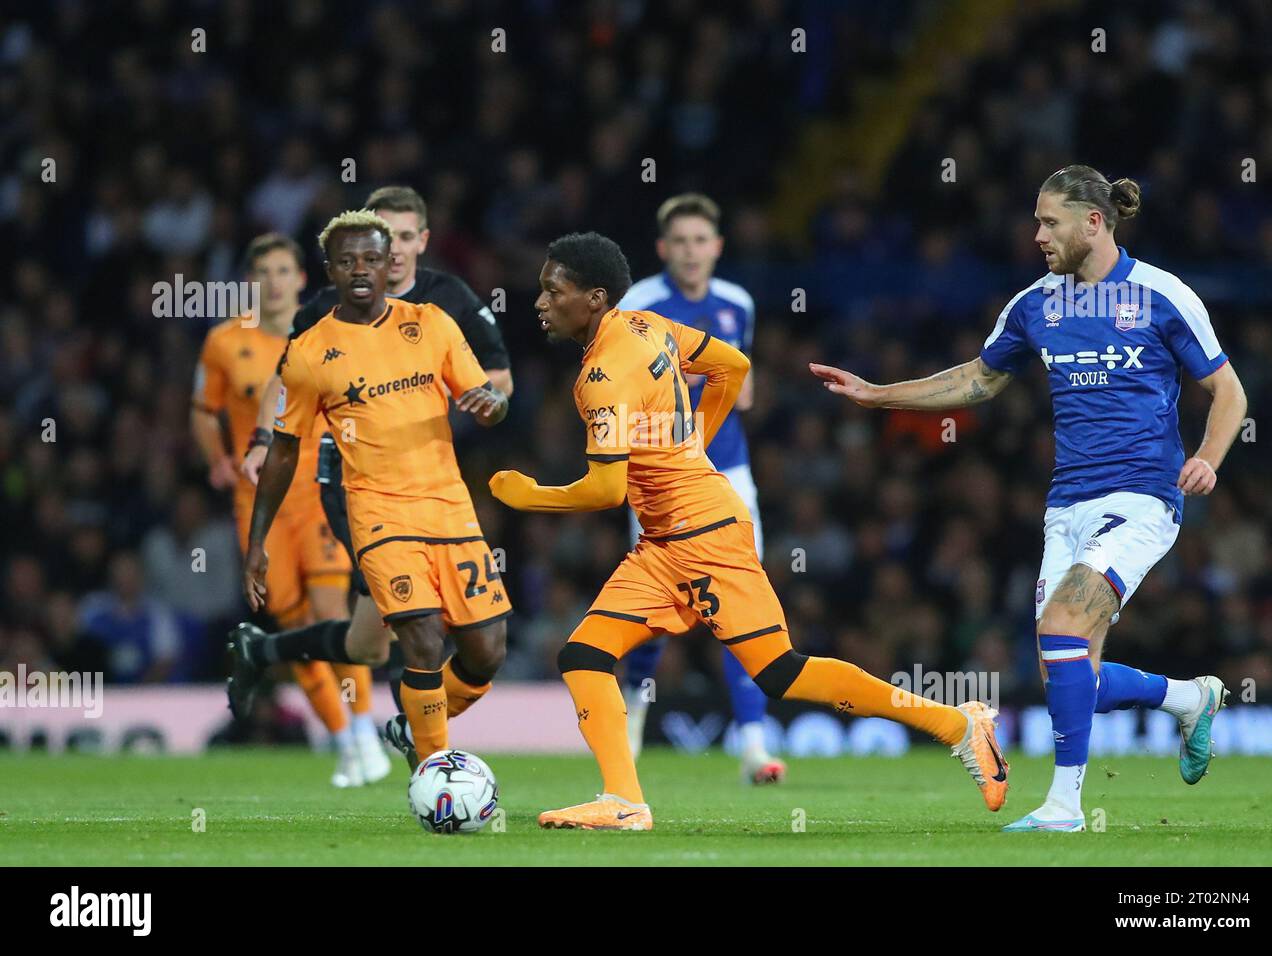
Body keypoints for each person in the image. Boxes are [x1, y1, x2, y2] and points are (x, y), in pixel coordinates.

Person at [489, 232, 1008, 830]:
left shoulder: (603, 375)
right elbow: (733, 364)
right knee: (583, 655)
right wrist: (695, 443)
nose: (540, 302)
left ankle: (959, 725)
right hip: (665, 541)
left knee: (780, 671)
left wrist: (531, 497)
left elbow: (606, 490)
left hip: (704, 534)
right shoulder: (648, 326)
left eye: (554, 291)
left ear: (595, 296)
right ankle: (624, 801)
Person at [812, 166, 1249, 832]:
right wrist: (879, 394)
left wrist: (1207, 459)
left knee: (1062, 631)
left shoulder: (1162, 295)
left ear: (1092, 222)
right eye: (1036, 221)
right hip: (1065, 506)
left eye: (1050, 221)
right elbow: (978, 380)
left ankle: (1064, 808)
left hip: (1142, 499)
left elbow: (1228, 392)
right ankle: (1191, 699)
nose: (1037, 234)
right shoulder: (1034, 304)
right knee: (1069, 671)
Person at [230, 210, 511, 775]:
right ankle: (435, 772)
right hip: (377, 512)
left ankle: (414, 726)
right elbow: (285, 450)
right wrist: (258, 540)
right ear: (329, 269)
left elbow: (486, 398)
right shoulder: (310, 351)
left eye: (372, 259)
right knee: (423, 641)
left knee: (486, 651)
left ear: (391, 265)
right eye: (346, 260)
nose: (360, 269)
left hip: (450, 505)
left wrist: (493, 407)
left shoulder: (432, 322)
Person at [192, 233, 385, 787]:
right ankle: (345, 741)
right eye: (263, 272)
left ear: (301, 279)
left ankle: (366, 730)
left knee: (330, 611)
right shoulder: (224, 343)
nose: (274, 281)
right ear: (251, 282)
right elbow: (203, 411)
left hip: (321, 491)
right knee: (291, 623)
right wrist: (218, 458)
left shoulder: (327, 335)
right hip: (260, 502)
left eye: (283, 270)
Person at [617, 193, 784, 784]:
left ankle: (753, 747)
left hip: (729, 472)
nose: (691, 252)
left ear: (717, 247)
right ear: (663, 249)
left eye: (701, 241)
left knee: (746, 600)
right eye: (679, 242)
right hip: (662, 476)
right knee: (656, 607)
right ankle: (632, 720)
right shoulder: (640, 305)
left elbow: (747, 391)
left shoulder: (737, 302)